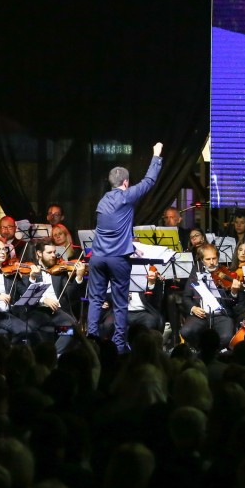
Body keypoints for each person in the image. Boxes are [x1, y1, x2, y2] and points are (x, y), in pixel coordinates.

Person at [86, 142, 163, 353]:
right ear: (126, 183)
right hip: (117, 259)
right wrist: (156, 155)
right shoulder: (127, 196)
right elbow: (149, 180)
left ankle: (92, 340)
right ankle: (119, 345)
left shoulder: (102, 201)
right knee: (120, 303)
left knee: (95, 299)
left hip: (98, 257)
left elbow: (112, 228)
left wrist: (130, 243)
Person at [179, 244, 245, 348]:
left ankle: (213, 354)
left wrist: (234, 292)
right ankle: (201, 350)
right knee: (186, 332)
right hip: (200, 315)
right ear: (202, 260)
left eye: (214, 258)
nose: (212, 262)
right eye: (208, 259)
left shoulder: (225, 273)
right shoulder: (196, 271)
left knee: (226, 337)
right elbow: (186, 296)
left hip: (221, 314)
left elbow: (230, 303)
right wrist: (193, 308)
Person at [25, 242, 88, 353]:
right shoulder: (31, 270)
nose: (53, 255)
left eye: (54, 252)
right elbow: (26, 295)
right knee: (28, 328)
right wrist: (43, 299)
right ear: (39, 253)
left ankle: (55, 355)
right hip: (39, 312)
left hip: (58, 312)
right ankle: (36, 357)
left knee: (71, 330)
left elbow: (70, 294)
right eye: (49, 252)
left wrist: (78, 277)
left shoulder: (59, 270)